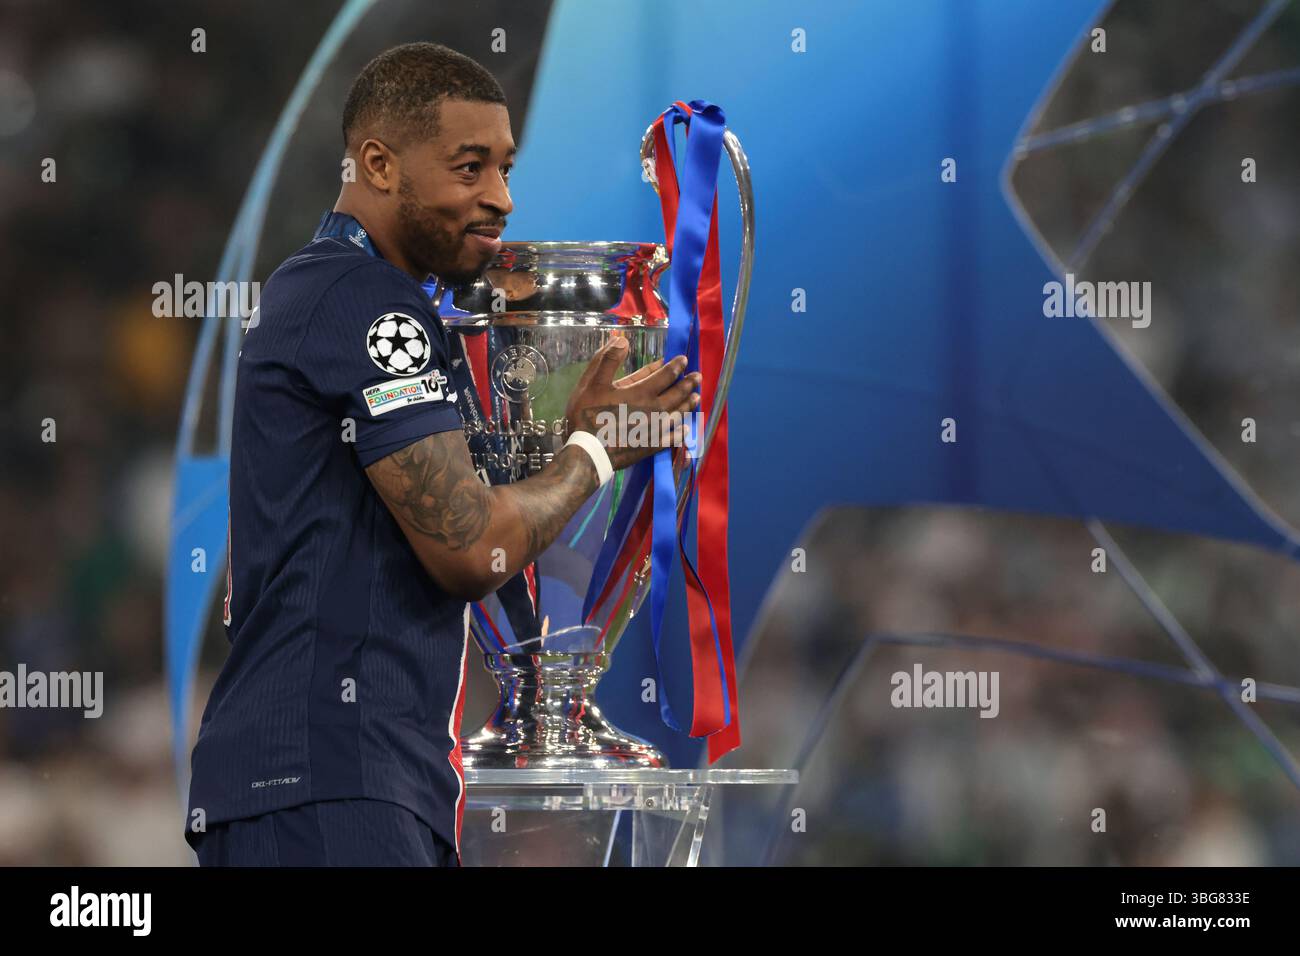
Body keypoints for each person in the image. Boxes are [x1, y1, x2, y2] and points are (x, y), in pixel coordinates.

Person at [185, 42, 700, 867]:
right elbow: (470, 549)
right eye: (469, 169)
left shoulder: (331, 295)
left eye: (504, 168)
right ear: (380, 165)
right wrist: (593, 453)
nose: (499, 198)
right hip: (326, 784)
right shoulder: (361, 302)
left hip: (339, 782)